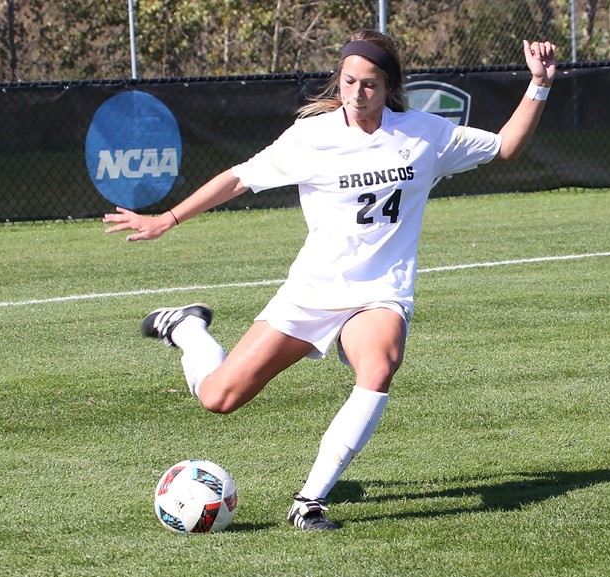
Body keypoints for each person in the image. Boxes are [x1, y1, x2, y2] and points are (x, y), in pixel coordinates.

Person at [103, 29, 557, 531]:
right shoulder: (312, 137)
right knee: (219, 398)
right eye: (348, 81)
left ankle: (309, 502)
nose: (356, 93)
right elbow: (237, 178)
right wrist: (168, 219)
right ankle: (187, 328)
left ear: (389, 87)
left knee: (379, 366)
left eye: (369, 84)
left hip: (379, 293)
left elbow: (506, 146)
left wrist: (538, 84)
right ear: (338, 79)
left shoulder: (424, 134)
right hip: (313, 292)